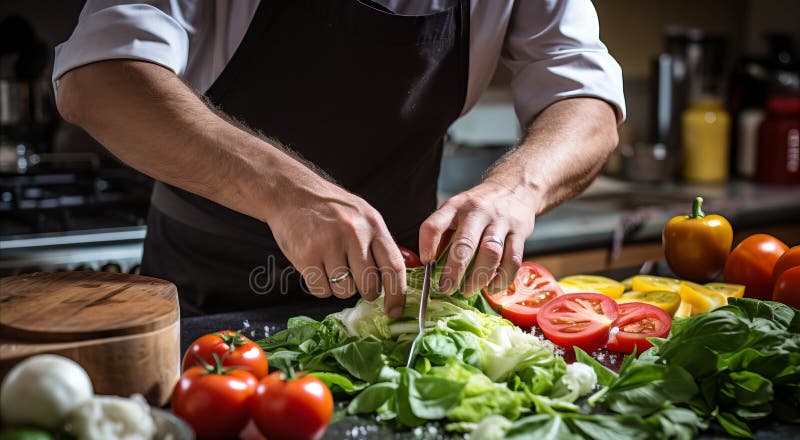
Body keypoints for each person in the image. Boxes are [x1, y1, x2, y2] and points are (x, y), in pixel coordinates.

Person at [53, 0, 625, 316]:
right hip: (211, 298)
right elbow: (99, 78)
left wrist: (516, 190)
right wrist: (286, 193)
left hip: (402, 305)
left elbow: (582, 93)